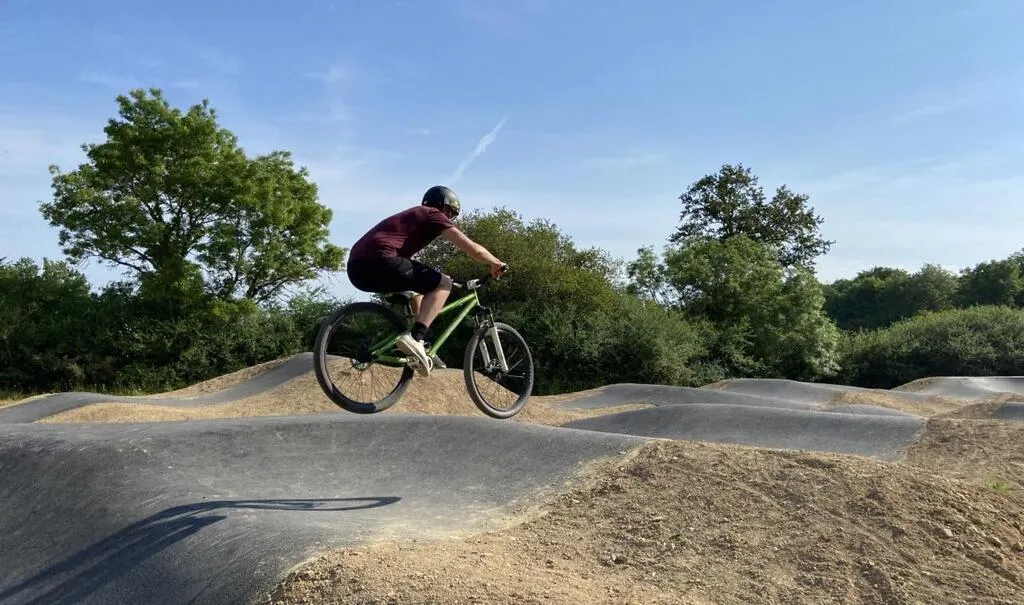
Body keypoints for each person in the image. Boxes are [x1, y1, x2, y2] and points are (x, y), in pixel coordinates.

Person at [346, 185, 506, 375]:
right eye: (450, 213)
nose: (449, 218)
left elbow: (410, 266)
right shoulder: (432, 214)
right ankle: (416, 337)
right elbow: (473, 249)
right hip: (381, 260)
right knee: (442, 284)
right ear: (443, 206)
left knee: (418, 288)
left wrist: (451, 279)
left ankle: (419, 344)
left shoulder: (411, 220)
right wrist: (495, 263)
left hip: (357, 269)